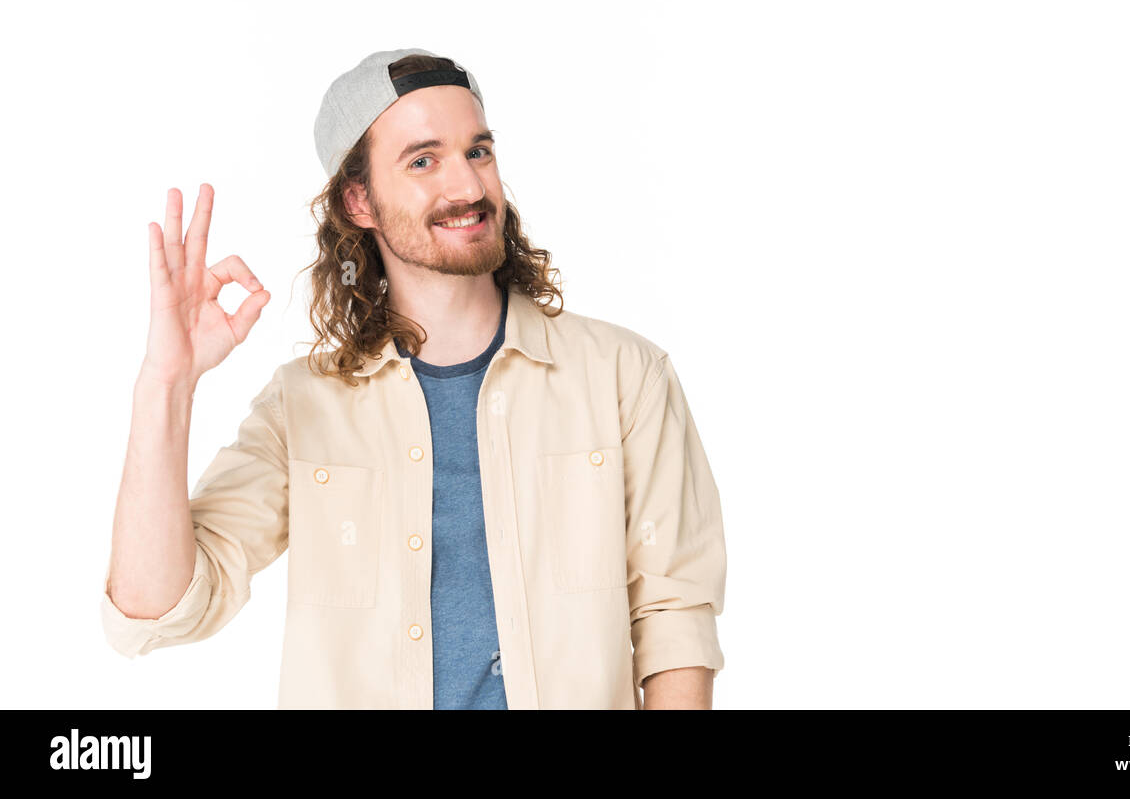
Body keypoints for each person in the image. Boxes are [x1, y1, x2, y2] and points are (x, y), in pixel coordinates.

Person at [100, 48, 727, 709]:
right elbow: (153, 610)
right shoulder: (301, 408)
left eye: (477, 151)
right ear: (359, 200)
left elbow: (676, 617)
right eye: (423, 160)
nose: (468, 185)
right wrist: (166, 382)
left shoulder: (625, 376)